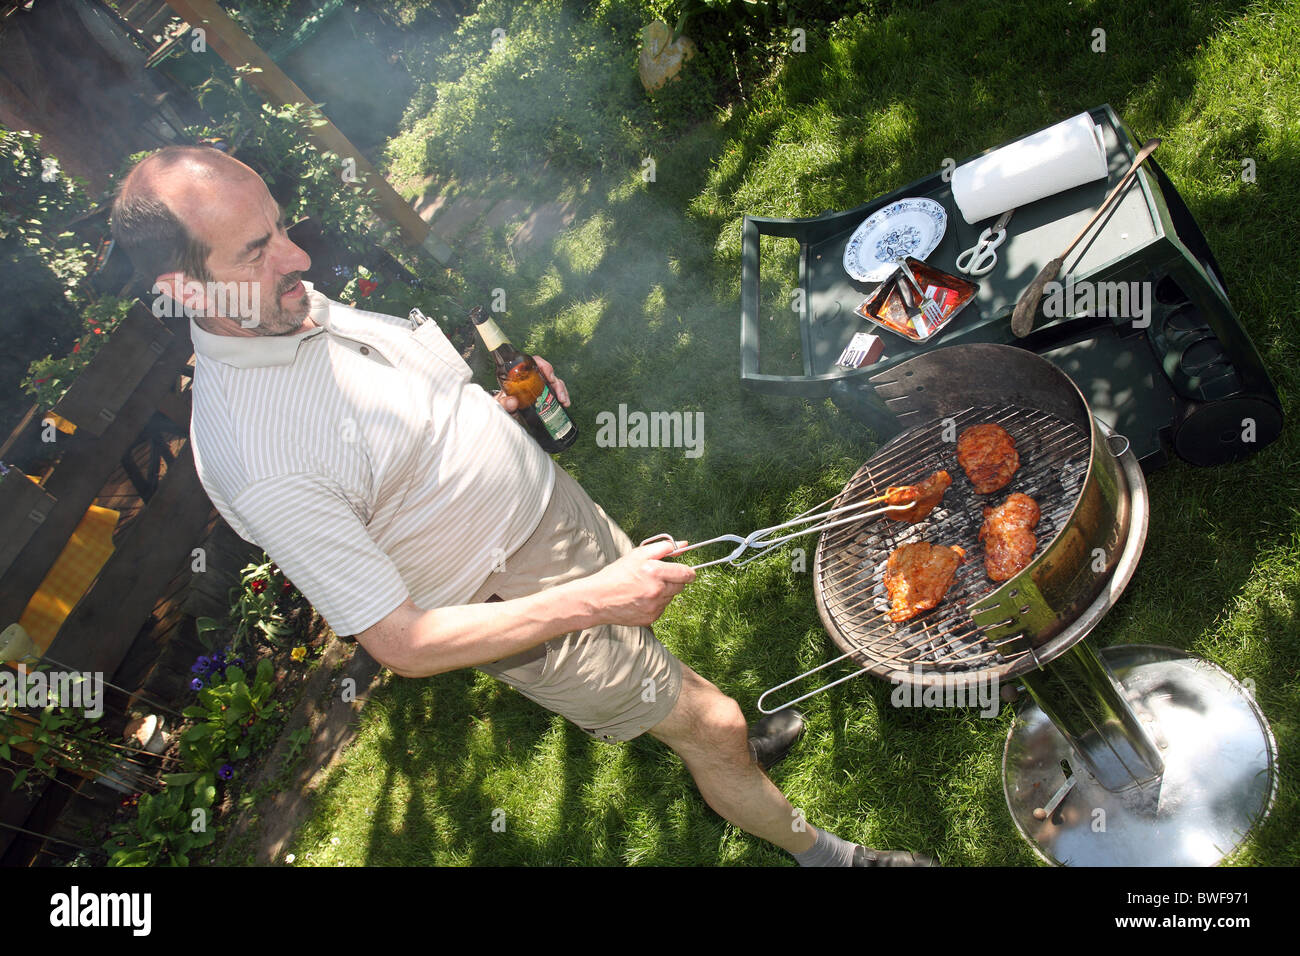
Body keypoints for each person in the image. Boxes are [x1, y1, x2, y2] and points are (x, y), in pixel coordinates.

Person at [110, 145, 934, 867]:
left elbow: (398, 428)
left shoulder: (275, 304)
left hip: (550, 516)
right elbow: (403, 642)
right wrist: (594, 600)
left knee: (657, 659)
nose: (297, 258)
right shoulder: (256, 454)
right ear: (182, 290)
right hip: (518, 602)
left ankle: (720, 746)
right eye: (257, 250)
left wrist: (503, 414)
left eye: (281, 226)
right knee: (707, 719)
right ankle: (825, 852)